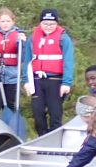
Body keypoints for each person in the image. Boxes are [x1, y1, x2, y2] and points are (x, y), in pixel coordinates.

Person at [25, 8, 75, 136]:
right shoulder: (33, 38)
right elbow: (27, 61)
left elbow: (68, 61)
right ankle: (42, 137)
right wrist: (26, 81)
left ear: (57, 24)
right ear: (40, 23)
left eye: (52, 24)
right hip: (37, 80)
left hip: (55, 81)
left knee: (55, 113)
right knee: (37, 112)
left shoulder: (63, 39)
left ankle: (55, 139)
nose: (48, 26)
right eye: (45, 23)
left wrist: (66, 83)